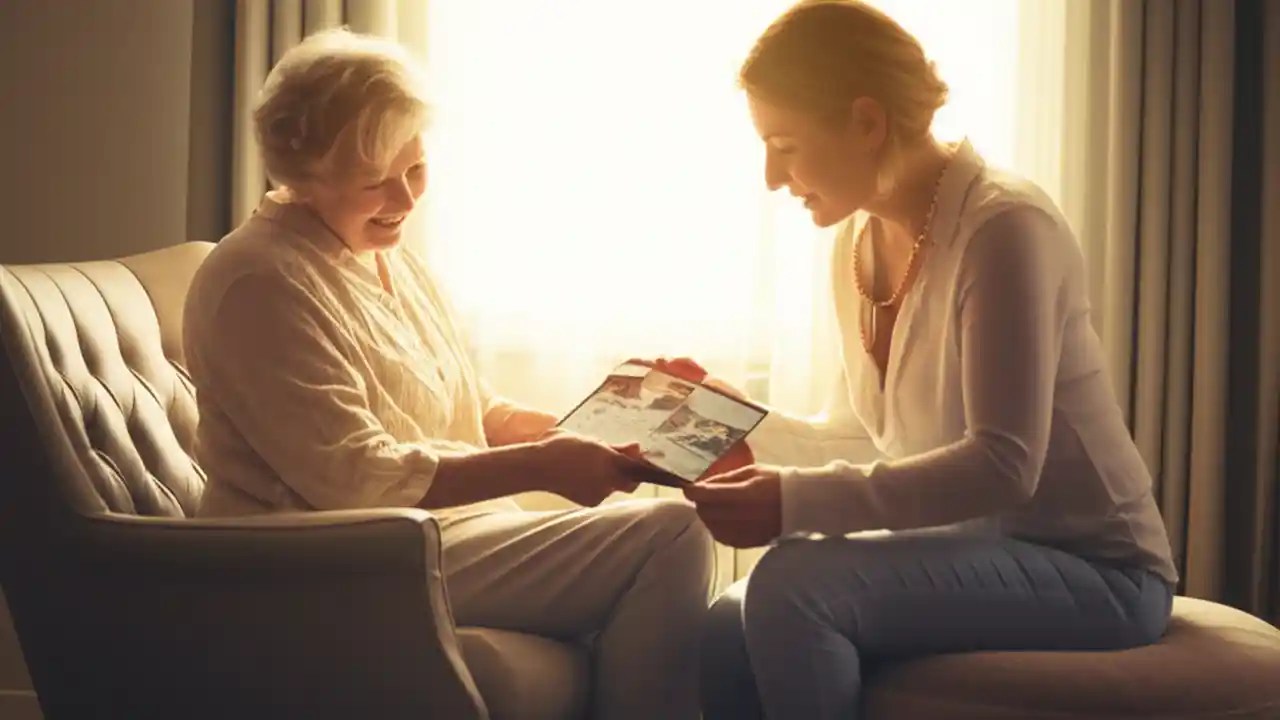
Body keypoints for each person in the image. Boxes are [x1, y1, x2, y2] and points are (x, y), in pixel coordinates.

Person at [182, 28, 714, 720]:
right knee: (670, 538)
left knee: (667, 521)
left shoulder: (383, 255)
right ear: (299, 174)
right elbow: (357, 478)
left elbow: (468, 404)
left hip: (432, 534)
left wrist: (601, 428)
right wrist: (542, 466)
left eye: (416, 169)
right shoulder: (259, 282)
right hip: (338, 559)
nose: (404, 198)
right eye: (375, 181)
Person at [679, 2, 1179, 718]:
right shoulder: (855, 244)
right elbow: (865, 438)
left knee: (795, 585)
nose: (770, 177)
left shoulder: (1004, 230)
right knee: (728, 624)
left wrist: (790, 501)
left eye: (785, 145)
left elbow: (1004, 465)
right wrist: (726, 419)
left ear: (867, 122)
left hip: (1100, 573)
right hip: (974, 553)